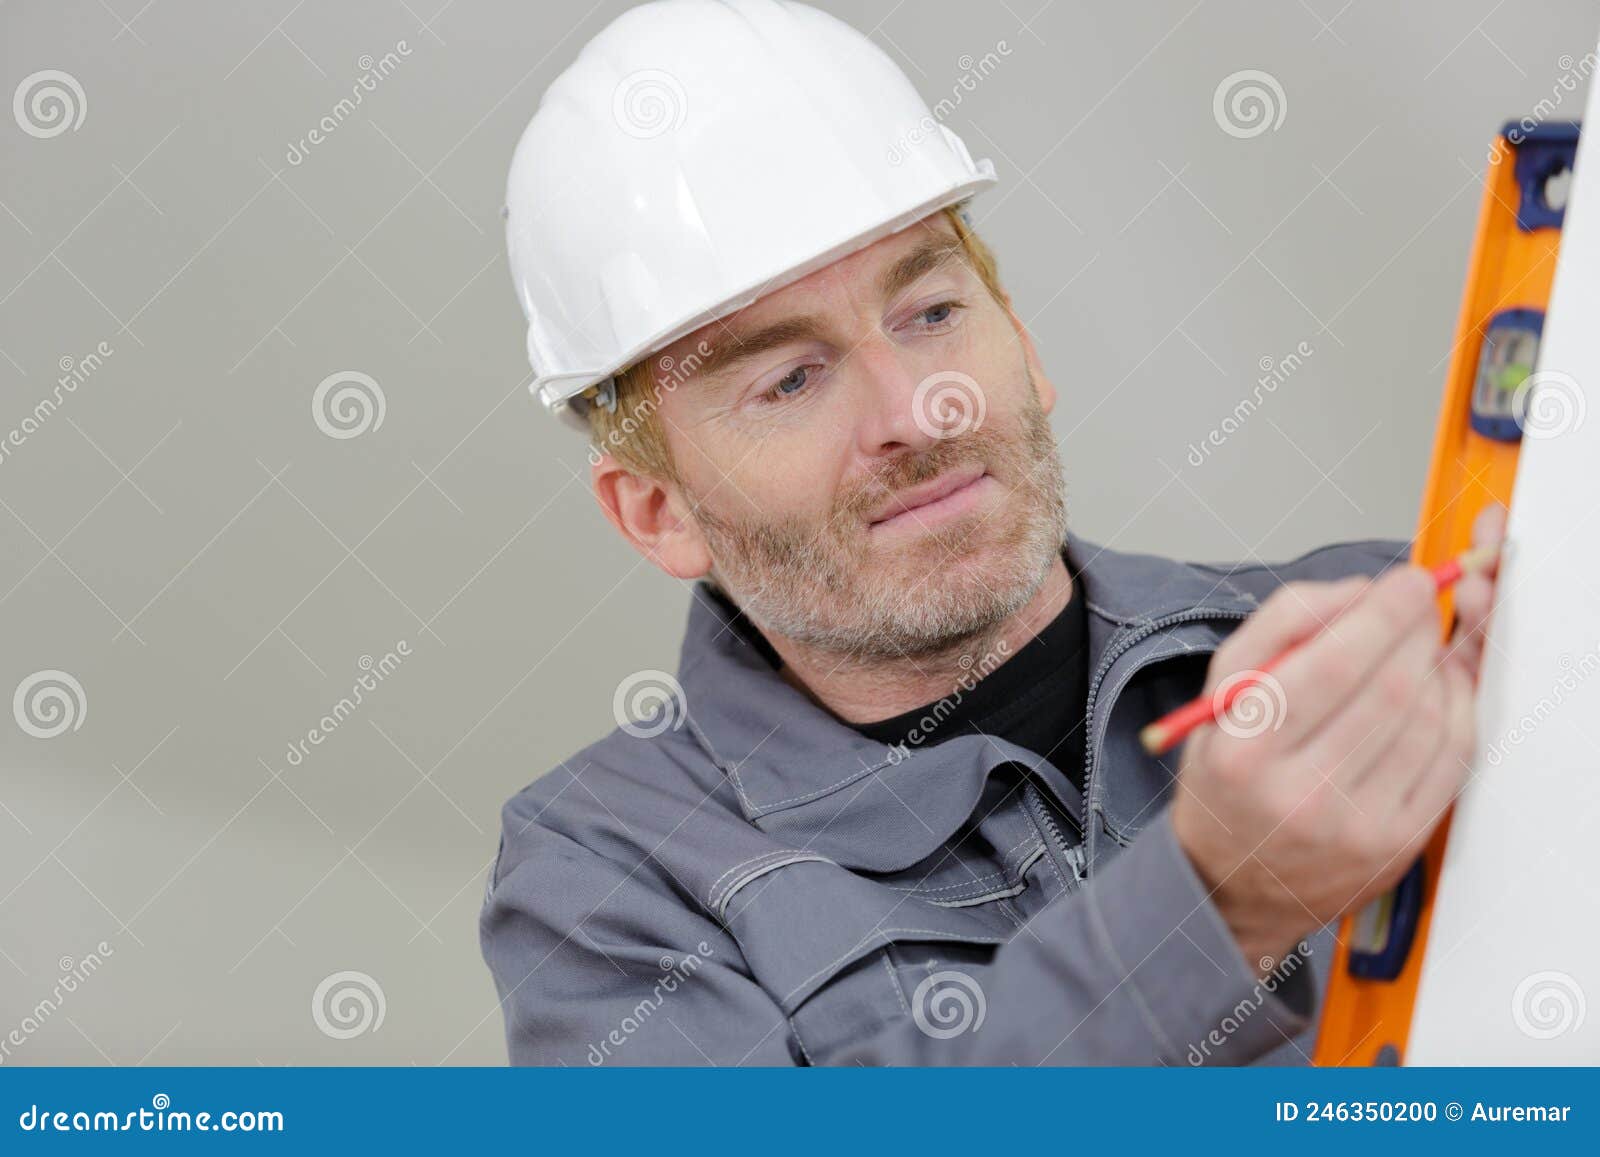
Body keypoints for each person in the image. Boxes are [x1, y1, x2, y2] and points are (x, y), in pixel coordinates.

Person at [479, 0, 1504, 1065]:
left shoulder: (1404, 628)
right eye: (790, 379)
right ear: (660, 511)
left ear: (1019, 337)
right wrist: (1212, 906)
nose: (920, 414)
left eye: (929, 314)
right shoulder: (609, 876)